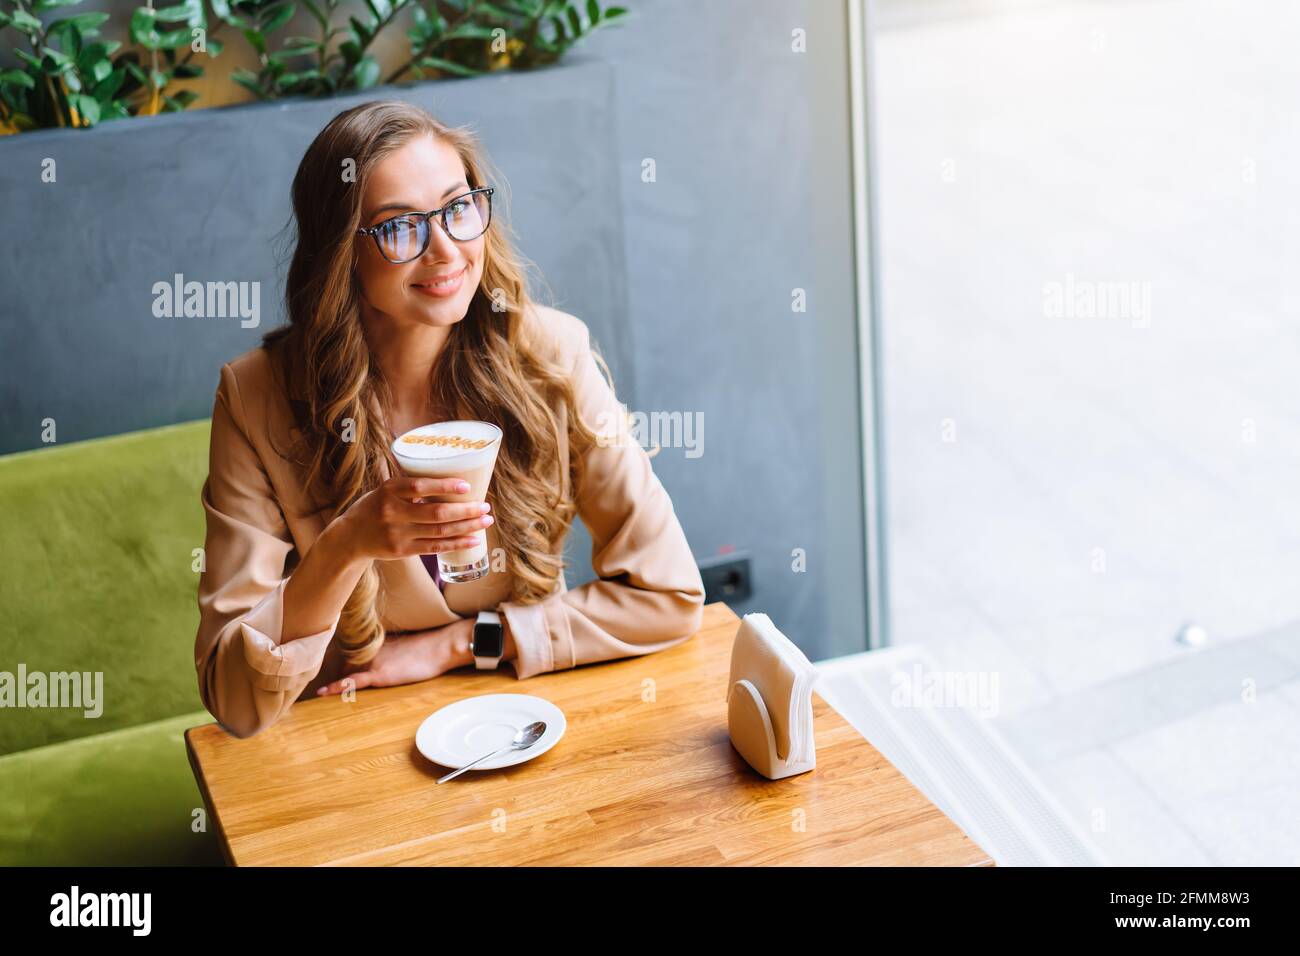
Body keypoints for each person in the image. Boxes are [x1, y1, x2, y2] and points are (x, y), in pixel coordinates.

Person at [194, 100, 705, 738]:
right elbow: (233, 698)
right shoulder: (256, 397)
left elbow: (669, 597)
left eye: (458, 208)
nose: (446, 250)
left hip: (515, 723)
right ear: (342, 253)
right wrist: (345, 546)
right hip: (340, 742)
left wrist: (465, 642)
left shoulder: (552, 356)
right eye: (400, 226)